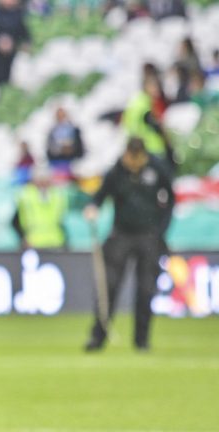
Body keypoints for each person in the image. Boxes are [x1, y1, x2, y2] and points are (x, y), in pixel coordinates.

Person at [83, 137, 174, 352]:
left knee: (145, 289)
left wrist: (161, 229)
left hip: (148, 236)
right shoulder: (117, 170)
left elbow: (170, 198)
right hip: (121, 234)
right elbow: (100, 195)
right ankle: (99, 336)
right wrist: (92, 207)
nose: (133, 162)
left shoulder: (156, 167)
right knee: (109, 286)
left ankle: (141, 341)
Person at [11, 164, 68, 250]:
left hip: (55, 242)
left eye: (45, 178)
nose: (43, 182)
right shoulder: (25, 195)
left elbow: (62, 221)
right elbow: (15, 221)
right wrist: (23, 238)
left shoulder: (57, 194)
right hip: (33, 243)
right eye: (40, 179)